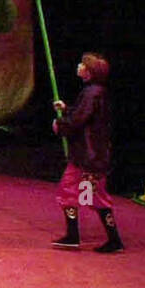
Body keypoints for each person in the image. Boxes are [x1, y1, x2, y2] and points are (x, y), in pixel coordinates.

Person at [51, 53, 123, 253]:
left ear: (90, 72)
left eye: (83, 64)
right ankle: (75, 236)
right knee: (75, 192)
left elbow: (79, 120)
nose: (79, 66)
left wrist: (60, 125)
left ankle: (110, 239)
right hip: (89, 156)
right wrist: (67, 109)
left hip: (89, 157)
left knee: (91, 195)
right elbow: (82, 114)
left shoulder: (92, 93)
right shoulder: (95, 92)